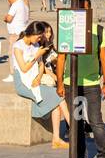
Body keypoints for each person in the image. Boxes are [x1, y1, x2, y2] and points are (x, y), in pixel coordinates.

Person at [55, 0, 105, 158]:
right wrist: (59, 83)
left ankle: (103, 156)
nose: (82, 12)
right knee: (76, 122)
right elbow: (61, 58)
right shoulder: (66, 29)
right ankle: (81, 155)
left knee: (96, 121)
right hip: (70, 83)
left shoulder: (99, 31)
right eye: (78, 9)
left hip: (91, 83)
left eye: (84, 9)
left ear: (89, 10)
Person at [11, 20, 68, 149]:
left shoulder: (35, 45)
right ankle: (75, 133)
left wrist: (38, 77)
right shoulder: (18, 47)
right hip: (23, 83)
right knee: (60, 97)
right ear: (32, 33)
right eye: (39, 36)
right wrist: (36, 55)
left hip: (34, 81)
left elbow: (41, 64)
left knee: (57, 105)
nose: (40, 39)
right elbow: (24, 68)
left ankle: (56, 139)